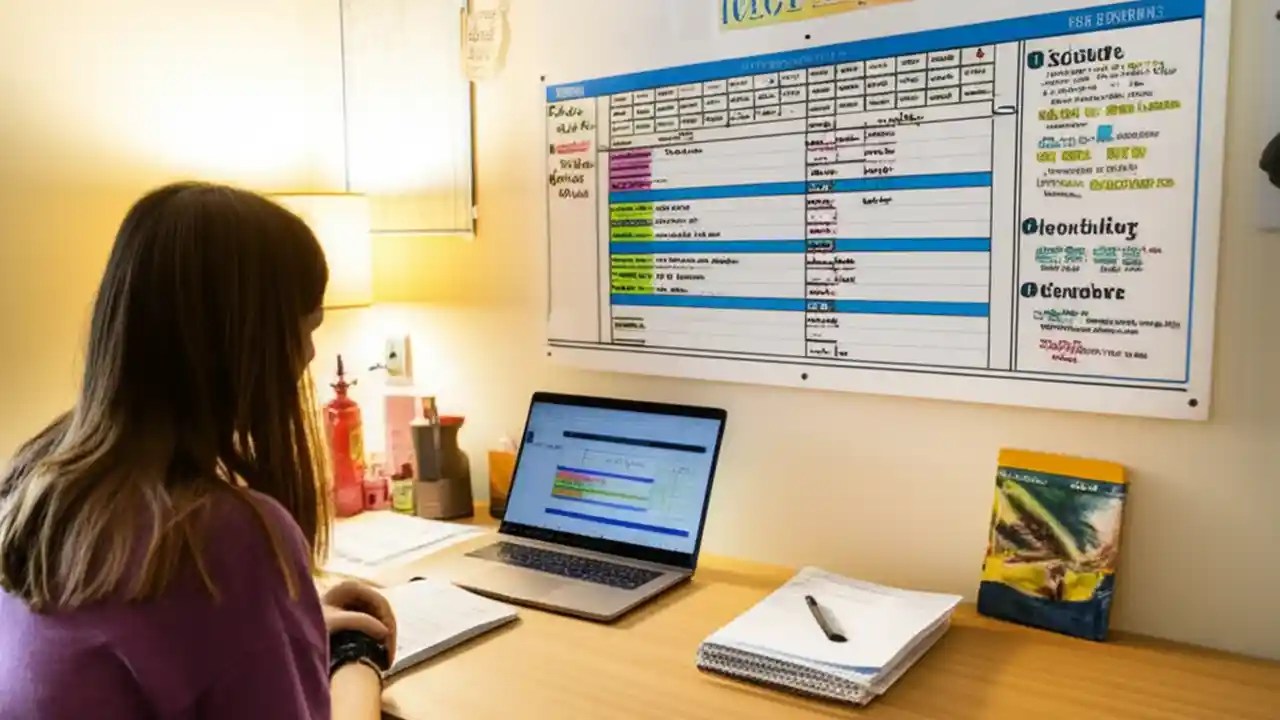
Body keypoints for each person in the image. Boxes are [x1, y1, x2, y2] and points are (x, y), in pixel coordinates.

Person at [0, 182, 395, 719]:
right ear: (246, 342)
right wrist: (355, 661)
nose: (307, 355)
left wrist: (288, 629)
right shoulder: (221, 538)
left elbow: (141, 651)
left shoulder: (34, 485)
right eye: (304, 330)